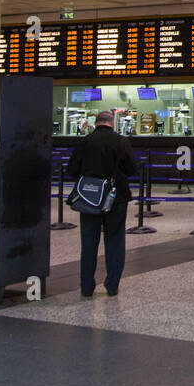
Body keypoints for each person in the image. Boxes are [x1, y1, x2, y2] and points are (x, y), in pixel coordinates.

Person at [67, 111, 139, 297]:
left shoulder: (84, 141)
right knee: (114, 240)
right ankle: (112, 285)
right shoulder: (121, 141)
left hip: (89, 197)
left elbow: (72, 170)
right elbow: (132, 169)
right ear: (112, 123)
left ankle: (86, 287)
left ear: (95, 123)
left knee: (89, 242)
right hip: (116, 197)